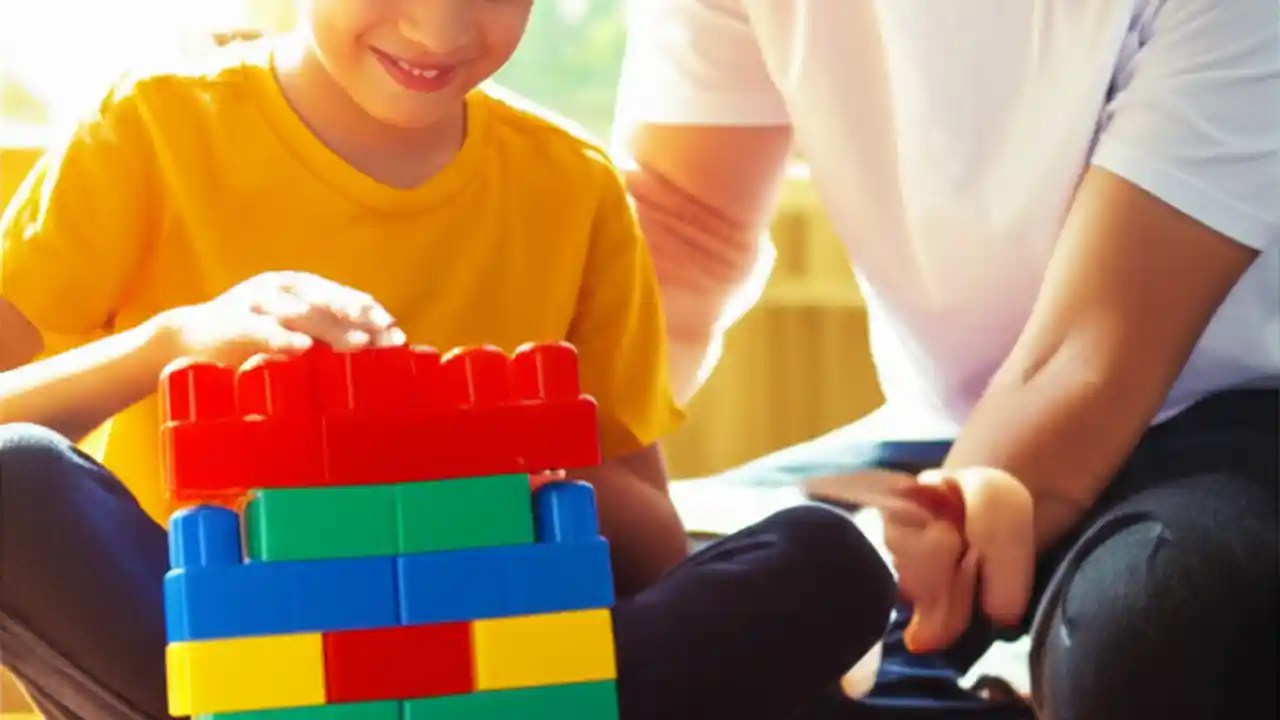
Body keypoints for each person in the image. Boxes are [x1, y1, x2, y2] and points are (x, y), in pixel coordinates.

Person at [0, 2, 899, 719]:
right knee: (13, 478)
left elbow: (652, 549)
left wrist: (484, 440)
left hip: (501, 661)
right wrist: (175, 344)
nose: (438, 29)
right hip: (216, 664)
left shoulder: (573, 189)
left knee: (829, 559)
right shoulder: (150, 128)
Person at [616, 0, 1279, 718]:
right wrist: (551, 460)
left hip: (1227, 425)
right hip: (937, 441)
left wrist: (888, 611)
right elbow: (686, 228)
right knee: (630, 585)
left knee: (1157, 614)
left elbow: (1090, 352)